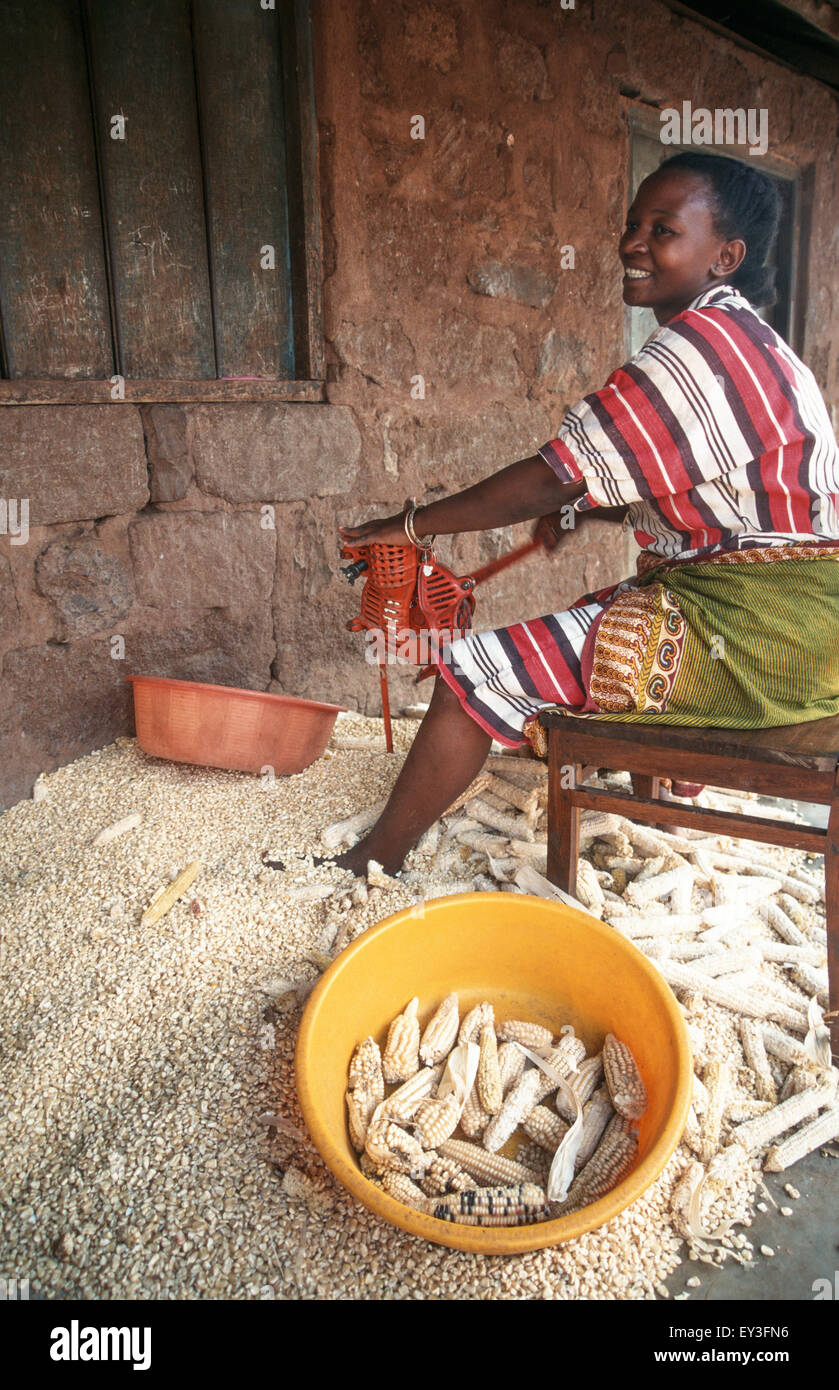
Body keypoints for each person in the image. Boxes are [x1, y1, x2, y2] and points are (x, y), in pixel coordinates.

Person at [333, 152, 839, 877]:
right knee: (612, 616)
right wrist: (589, 517)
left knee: (471, 673)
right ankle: (643, 810)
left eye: (662, 229)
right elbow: (718, 488)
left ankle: (370, 861)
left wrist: (412, 526)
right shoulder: (753, 342)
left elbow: (549, 480)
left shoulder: (701, 344)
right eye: (633, 224)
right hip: (800, 627)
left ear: (724, 255)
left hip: (755, 629)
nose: (632, 244)